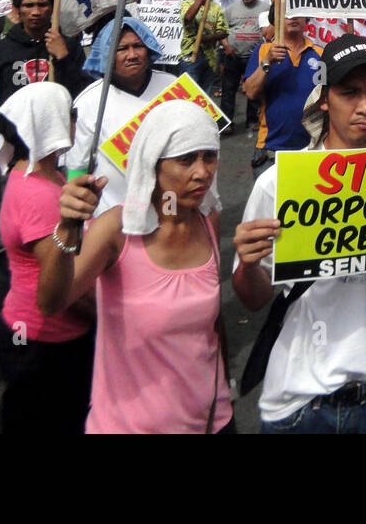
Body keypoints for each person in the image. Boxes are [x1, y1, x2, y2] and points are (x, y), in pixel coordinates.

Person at [232, 35, 366, 434]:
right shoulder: (280, 184)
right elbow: (254, 298)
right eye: (350, 93)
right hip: (298, 401)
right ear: (325, 99)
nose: (365, 107)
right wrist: (247, 264)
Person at [40, 100, 231, 434]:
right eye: (186, 159)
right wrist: (66, 230)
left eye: (209, 156)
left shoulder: (208, 221)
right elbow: (51, 302)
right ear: (152, 163)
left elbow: (213, 330)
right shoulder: (117, 230)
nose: (202, 172)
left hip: (212, 423)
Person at [0, 83, 94, 434]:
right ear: (52, 121)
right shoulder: (39, 195)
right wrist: (112, 317)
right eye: (70, 115)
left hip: (37, 333)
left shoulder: (40, 175)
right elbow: (58, 288)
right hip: (45, 340)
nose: (74, 123)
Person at [69, 19, 178, 216]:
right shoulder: (88, 102)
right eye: (122, 49)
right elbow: (77, 167)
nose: (132, 55)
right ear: (107, 54)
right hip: (114, 218)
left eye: (138, 46)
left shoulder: (173, 87)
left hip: (171, 211)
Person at [0, 0, 86, 102]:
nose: (36, 12)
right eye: (29, 5)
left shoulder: (70, 47)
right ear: (18, 9)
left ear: (53, 7)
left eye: (42, 5)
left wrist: (63, 58)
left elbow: (82, 94)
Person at [241, 8, 324, 168]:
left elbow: (326, 98)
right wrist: (267, 61)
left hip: (312, 148)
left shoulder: (320, 54)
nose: (292, 17)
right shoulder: (263, 51)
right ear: (276, 19)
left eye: (297, 12)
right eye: (286, 13)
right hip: (271, 148)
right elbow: (250, 92)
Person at [220, 0, 267, 134]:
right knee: (228, 89)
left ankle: (252, 121)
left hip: (253, 56)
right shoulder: (232, 9)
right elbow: (221, 29)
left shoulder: (265, 8)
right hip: (233, 55)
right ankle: (227, 122)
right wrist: (226, 45)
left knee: (253, 89)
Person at [180, 0, 228, 97]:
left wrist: (208, 38)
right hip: (190, 55)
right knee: (189, 94)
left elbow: (224, 31)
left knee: (204, 96)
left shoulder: (216, 8)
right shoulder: (186, 4)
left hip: (210, 57)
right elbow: (188, 18)